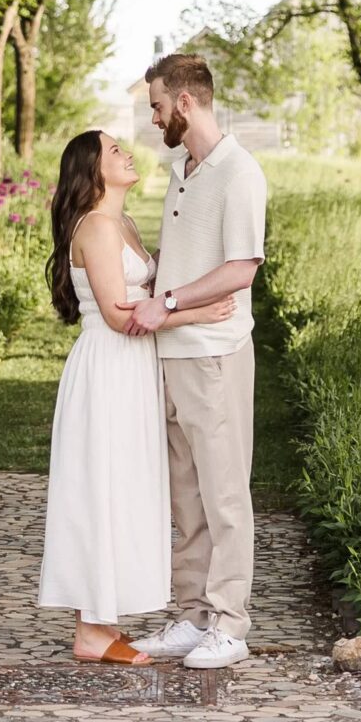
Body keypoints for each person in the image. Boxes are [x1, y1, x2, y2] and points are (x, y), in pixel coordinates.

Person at [37, 128, 236, 662]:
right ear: (93, 169)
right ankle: (90, 631)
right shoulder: (98, 228)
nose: (127, 153)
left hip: (133, 369)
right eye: (114, 150)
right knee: (99, 489)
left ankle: (102, 621)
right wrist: (196, 310)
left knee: (124, 489)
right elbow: (119, 315)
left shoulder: (122, 222)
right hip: (107, 368)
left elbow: (145, 296)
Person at [125, 52, 267, 671]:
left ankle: (230, 625)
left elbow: (242, 268)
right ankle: (191, 617)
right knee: (185, 499)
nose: (154, 119)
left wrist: (170, 302)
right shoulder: (184, 170)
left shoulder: (239, 173)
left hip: (215, 355)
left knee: (224, 496)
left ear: (185, 102)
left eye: (157, 106)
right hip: (173, 354)